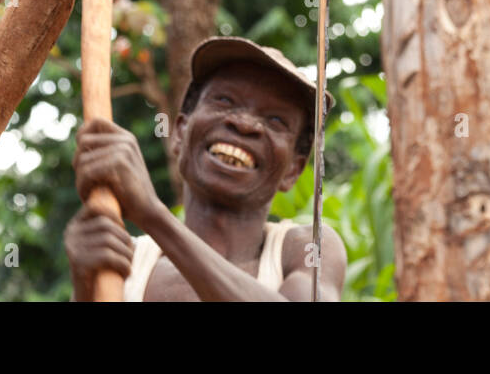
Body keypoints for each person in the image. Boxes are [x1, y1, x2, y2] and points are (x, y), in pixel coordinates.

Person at [65, 36, 346, 301]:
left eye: (276, 120)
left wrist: (152, 214)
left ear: (293, 170)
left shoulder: (304, 248)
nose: (244, 124)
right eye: (224, 100)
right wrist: (83, 288)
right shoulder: (122, 260)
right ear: (179, 132)